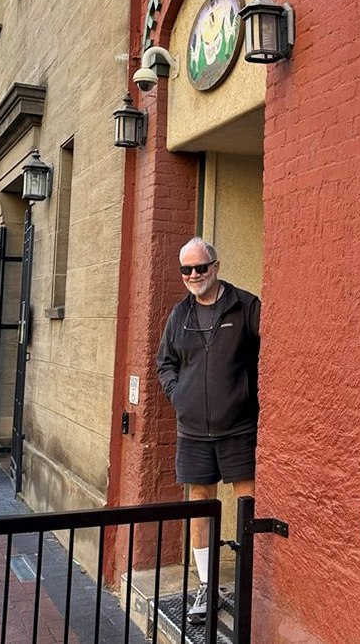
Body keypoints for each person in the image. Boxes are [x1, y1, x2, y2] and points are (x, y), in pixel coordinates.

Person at [156, 237, 260, 623]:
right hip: (193, 431)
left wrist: (251, 399)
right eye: (187, 269)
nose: (194, 275)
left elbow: (269, 358)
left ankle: (251, 582)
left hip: (239, 427)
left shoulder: (246, 306)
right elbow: (164, 362)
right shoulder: (178, 316)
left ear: (216, 266)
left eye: (201, 267)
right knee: (200, 503)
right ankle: (207, 585)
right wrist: (178, 396)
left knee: (247, 500)